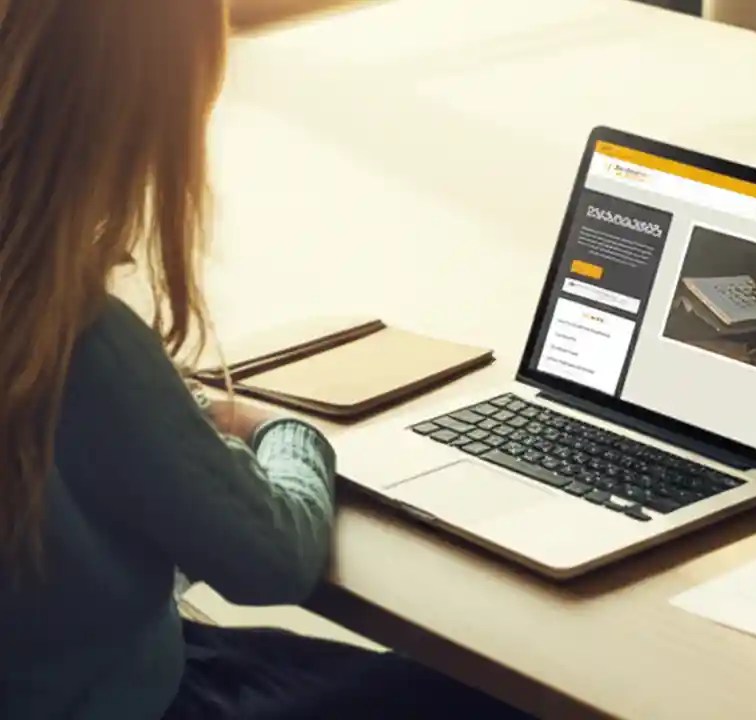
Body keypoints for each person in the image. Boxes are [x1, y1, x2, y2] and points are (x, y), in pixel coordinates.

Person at [0, 2, 527, 718]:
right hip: (124, 697)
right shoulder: (79, 340)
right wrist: (282, 429)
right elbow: (270, 559)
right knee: (490, 695)